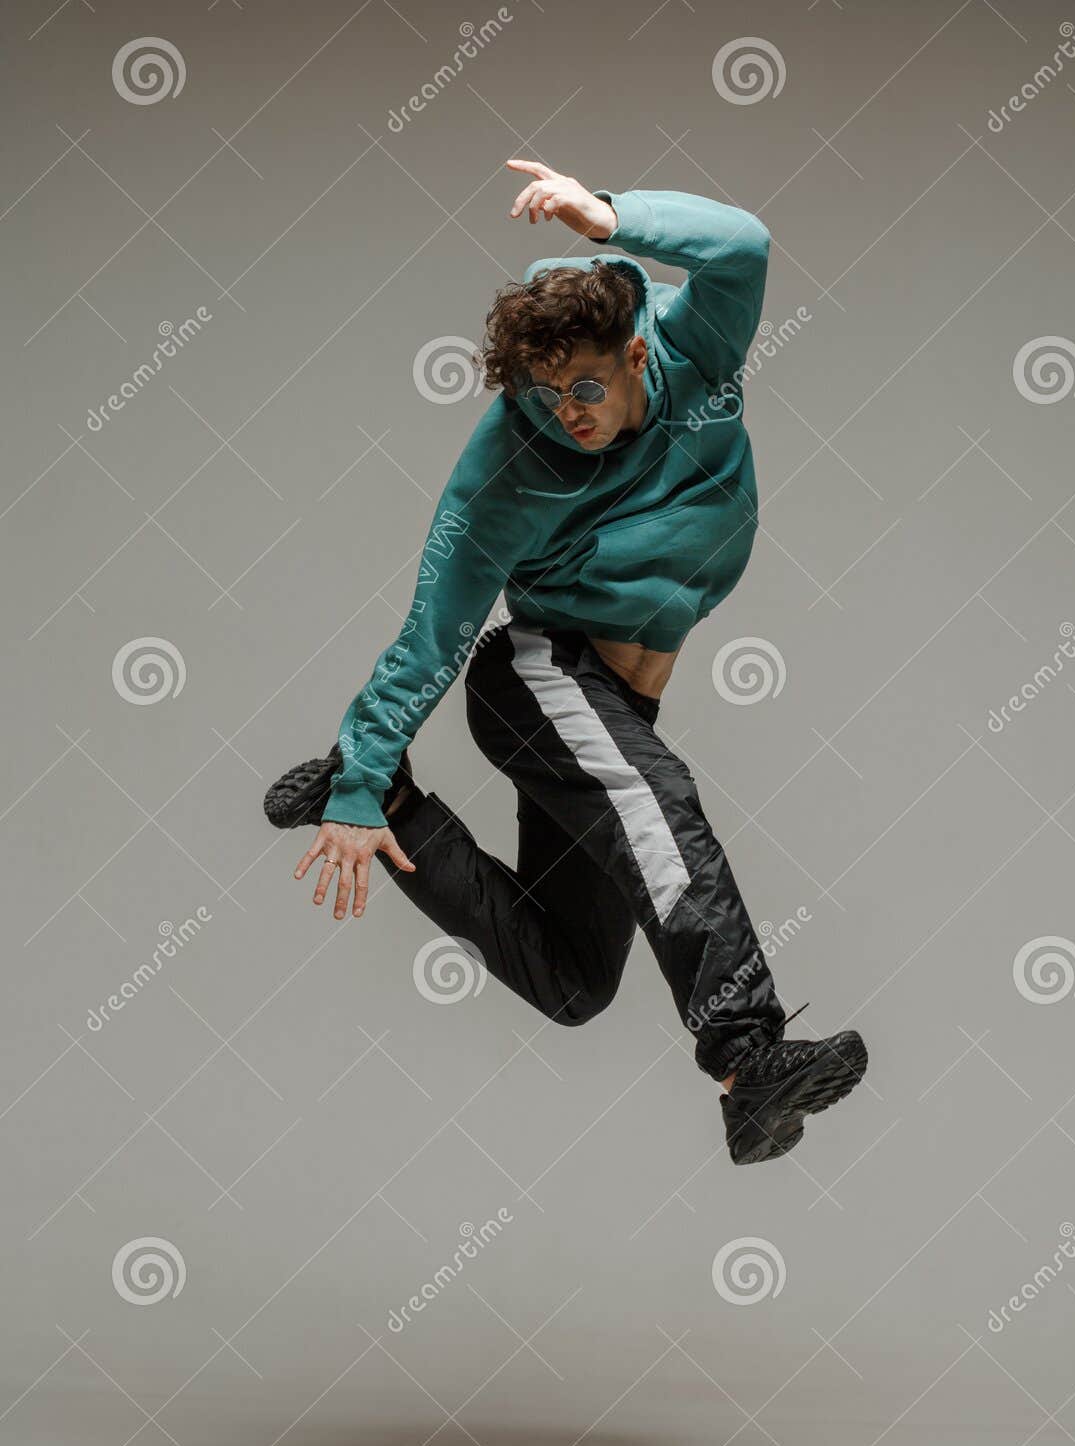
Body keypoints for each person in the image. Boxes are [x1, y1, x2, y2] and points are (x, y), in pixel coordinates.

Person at [265, 159, 867, 1166]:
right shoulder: (505, 470)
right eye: (544, 394)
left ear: (637, 352)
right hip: (542, 675)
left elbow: (744, 248)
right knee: (658, 797)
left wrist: (610, 217)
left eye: (587, 384)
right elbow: (434, 631)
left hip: (615, 705)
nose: (569, 412)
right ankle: (747, 1057)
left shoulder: (696, 352)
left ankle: (400, 808)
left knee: (577, 980)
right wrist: (365, 761)